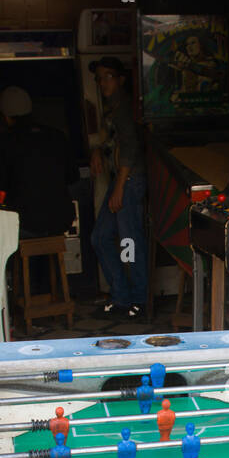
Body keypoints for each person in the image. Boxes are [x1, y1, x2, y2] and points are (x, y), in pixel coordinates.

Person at [89, 56, 149, 319]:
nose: (103, 82)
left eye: (108, 76)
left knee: (129, 241)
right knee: (100, 237)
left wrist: (119, 188)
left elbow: (130, 148)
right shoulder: (111, 108)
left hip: (130, 180)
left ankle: (139, 300)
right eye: (99, 77)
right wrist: (96, 152)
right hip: (121, 180)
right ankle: (122, 297)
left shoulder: (124, 107)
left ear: (121, 79)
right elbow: (109, 142)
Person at [0, 87, 77, 237]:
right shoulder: (57, 136)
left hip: (24, 221)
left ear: (6, 116)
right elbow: (73, 176)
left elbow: (0, 185)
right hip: (61, 219)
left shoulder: (3, 141)